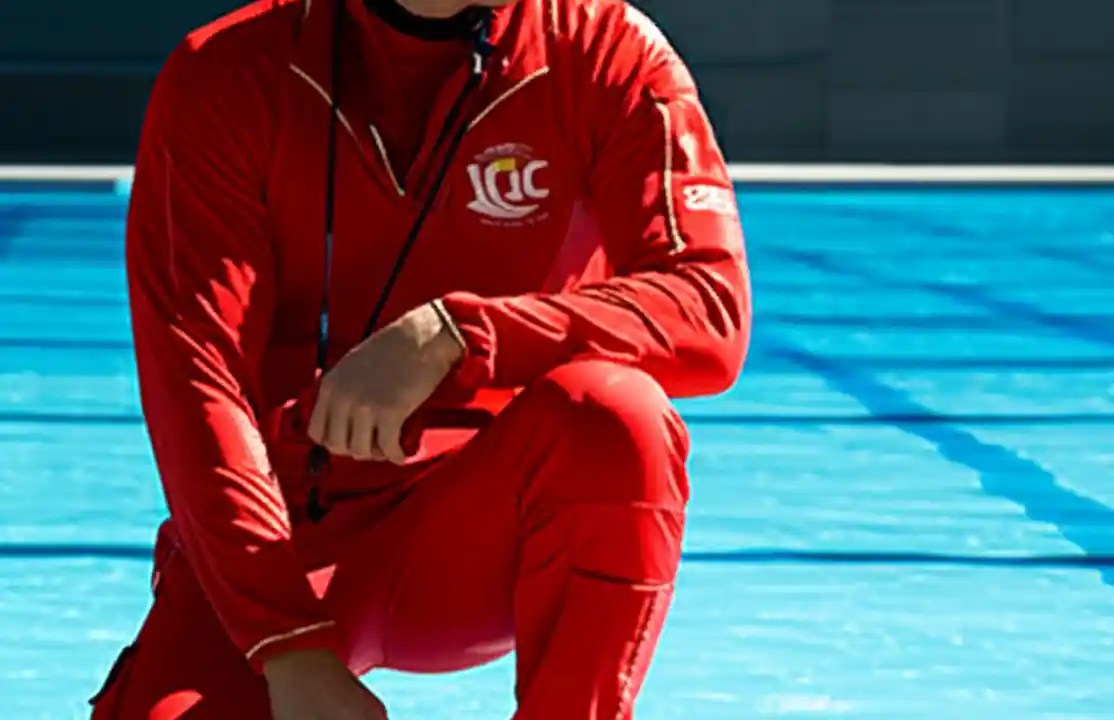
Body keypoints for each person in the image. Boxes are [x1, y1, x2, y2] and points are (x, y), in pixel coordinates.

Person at [90, 0, 749, 717]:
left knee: (616, 418)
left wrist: (458, 336)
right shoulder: (229, 70)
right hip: (280, 536)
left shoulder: (601, 47)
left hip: (476, 529)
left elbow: (708, 309)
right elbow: (198, 388)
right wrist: (286, 644)